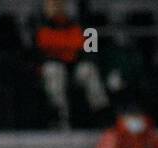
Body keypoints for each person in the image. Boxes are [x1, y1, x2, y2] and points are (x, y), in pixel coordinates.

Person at [34, 0, 107, 129]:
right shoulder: (41, 27)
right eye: (54, 6)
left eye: (61, 5)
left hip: (76, 66)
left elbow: (91, 51)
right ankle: (60, 119)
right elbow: (39, 53)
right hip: (55, 67)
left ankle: (101, 114)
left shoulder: (84, 26)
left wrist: (73, 54)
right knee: (53, 71)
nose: (58, 9)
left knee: (89, 69)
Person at [94, 104, 158, 148]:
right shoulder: (113, 136)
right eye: (130, 116)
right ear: (122, 118)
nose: (135, 119)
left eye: (138, 116)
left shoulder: (151, 136)